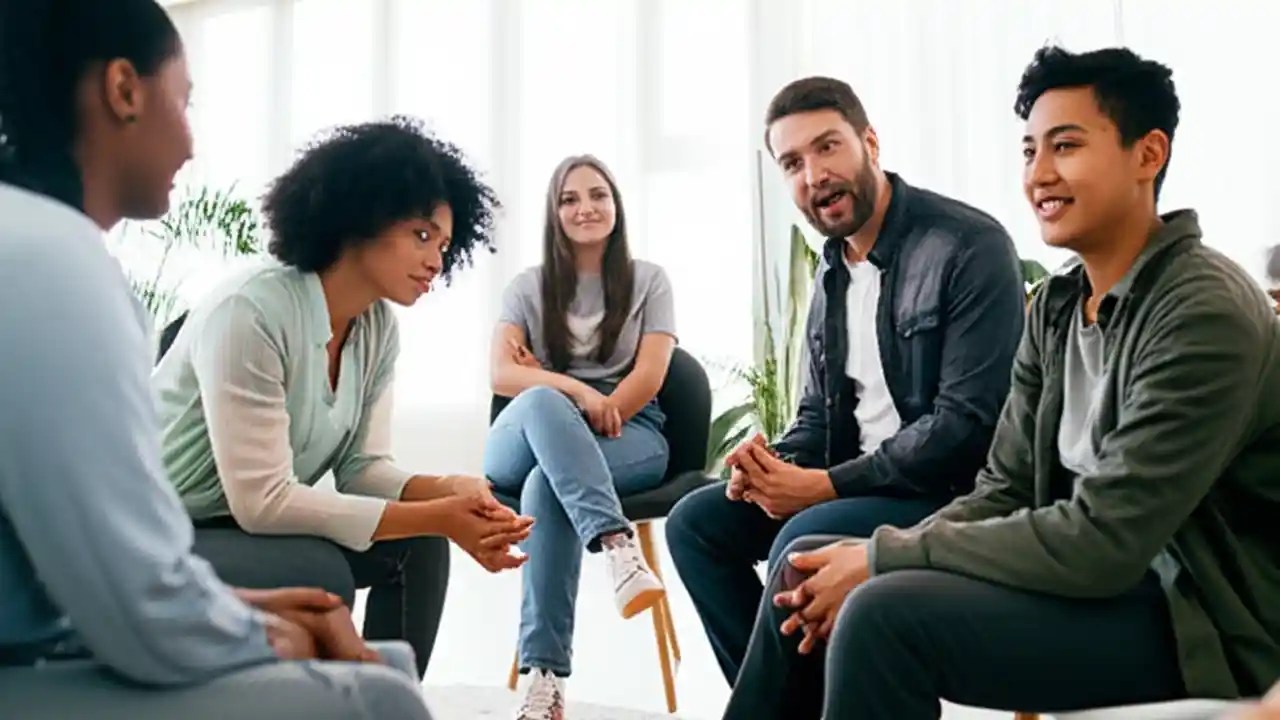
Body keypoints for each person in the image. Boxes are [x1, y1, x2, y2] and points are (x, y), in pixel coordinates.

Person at [724, 45, 1280, 720]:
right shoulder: (1053, 307)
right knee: (808, 564)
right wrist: (871, 553)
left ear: (1147, 154)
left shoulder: (1204, 310)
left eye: (1066, 146)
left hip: (1197, 618)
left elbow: (1106, 539)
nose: (1039, 174)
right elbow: (1007, 488)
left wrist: (883, 558)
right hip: (1095, 582)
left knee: (880, 613)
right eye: (1028, 151)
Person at [0, 1, 433, 718]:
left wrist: (237, 610)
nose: (192, 144)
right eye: (185, 100)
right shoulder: (52, 263)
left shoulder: (30, 243)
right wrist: (261, 633)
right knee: (381, 698)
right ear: (123, 90)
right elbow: (145, 598)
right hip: (179, 553)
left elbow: (44, 578)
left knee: (385, 661)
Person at [664, 75, 1026, 684]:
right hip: (860, 485)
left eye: (828, 147)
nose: (814, 175)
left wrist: (823, 487)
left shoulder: (968, 246)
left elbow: (964, 426)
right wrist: (769, 467)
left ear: (870, 143)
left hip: (955, 493)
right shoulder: (833, 274)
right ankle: (798, 704)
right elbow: (816, 419)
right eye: (793, 163)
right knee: (695, 524)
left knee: (803, 540)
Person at [152, 115, 530, 679]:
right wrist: (440, 514)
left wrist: (452, 492)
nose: (436, 261)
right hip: (164, 532)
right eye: (422, 235)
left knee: (421, 545)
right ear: (362, 216)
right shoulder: (250, 312)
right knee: (321, 567)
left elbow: (362, 468)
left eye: (446, 245)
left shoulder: (376, 327)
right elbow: (264, 502)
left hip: (243, 523)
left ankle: (388, 704)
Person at [485, 154, 677, 719]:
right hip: (526, 433)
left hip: (631, 433)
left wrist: (601, 407)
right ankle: (618, 544)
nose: (585, 207)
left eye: (598, 195)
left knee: (550, 485)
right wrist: (577, 392)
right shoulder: (527, 287)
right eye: (570, 199)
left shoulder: (649, 282)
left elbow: (651, 373)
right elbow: (502, 376)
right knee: (543, 402)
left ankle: (544, 680)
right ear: (554, 213)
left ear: (616, 206)